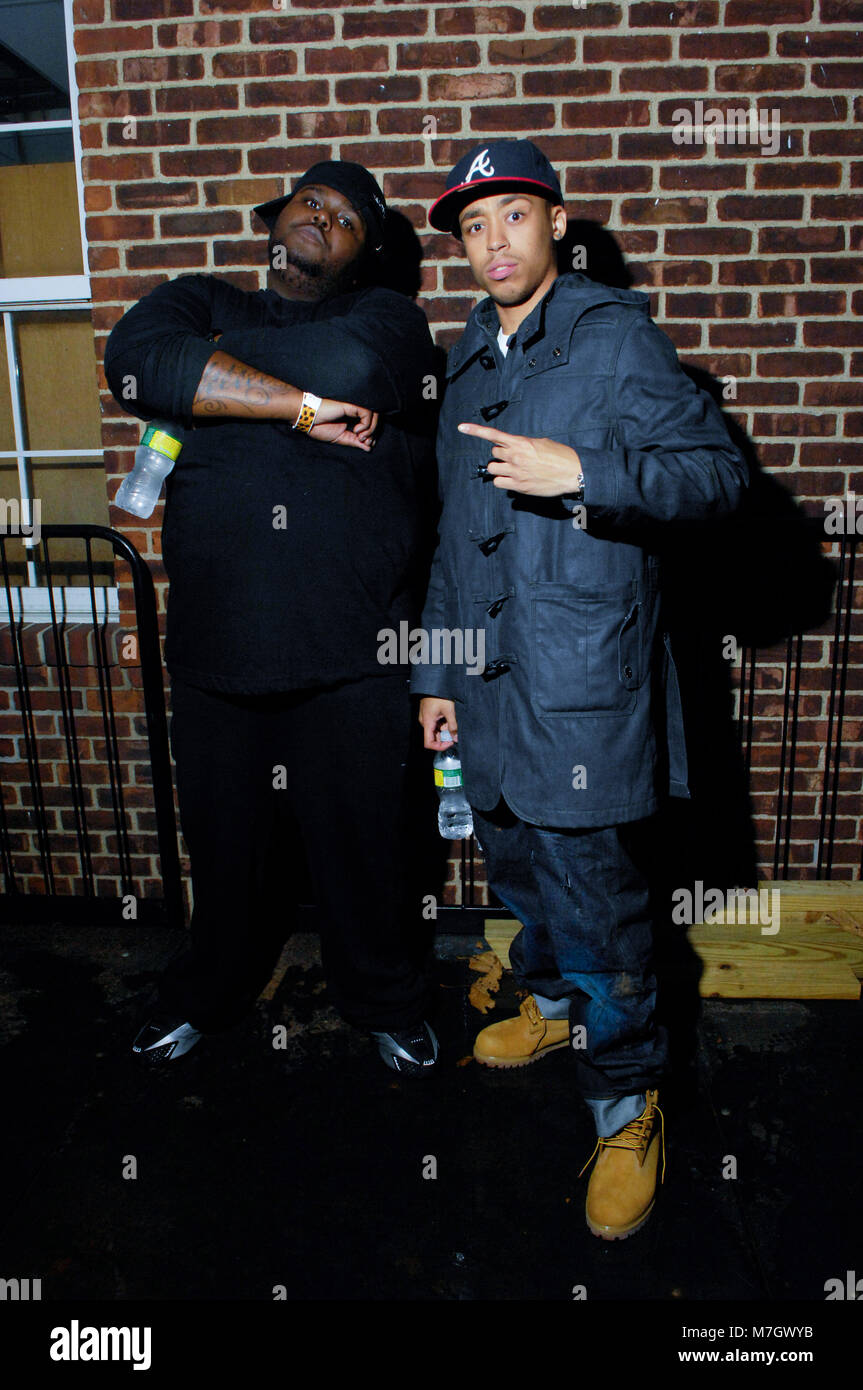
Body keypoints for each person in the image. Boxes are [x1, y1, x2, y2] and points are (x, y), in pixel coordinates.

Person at [415, 140, 749, 1237]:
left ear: (556, 222)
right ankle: (551, 1009)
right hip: (489, 690)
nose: (491, 241)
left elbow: (717, 479)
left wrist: (586, 476)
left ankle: (626, 1101)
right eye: (471, 226)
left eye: (511, 214)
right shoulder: (463, 358)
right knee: (513, 860)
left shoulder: (613, 336)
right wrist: (435, 671)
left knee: (602, 910)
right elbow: (452, 545)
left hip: (586, 691)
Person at [104, 160, 440, 1075]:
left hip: (355, 652)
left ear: (367, 250)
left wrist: (205, 372)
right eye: (310, 203)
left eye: (346, 219)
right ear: (276, 216)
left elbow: (352, 365)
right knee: (225, 856)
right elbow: (135, 364)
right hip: (218, 650)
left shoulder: (391, 322)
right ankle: (206, 995)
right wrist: (297, 408)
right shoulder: (200, 293)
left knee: (365, 855)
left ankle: (385, 1000)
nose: (322, 221)